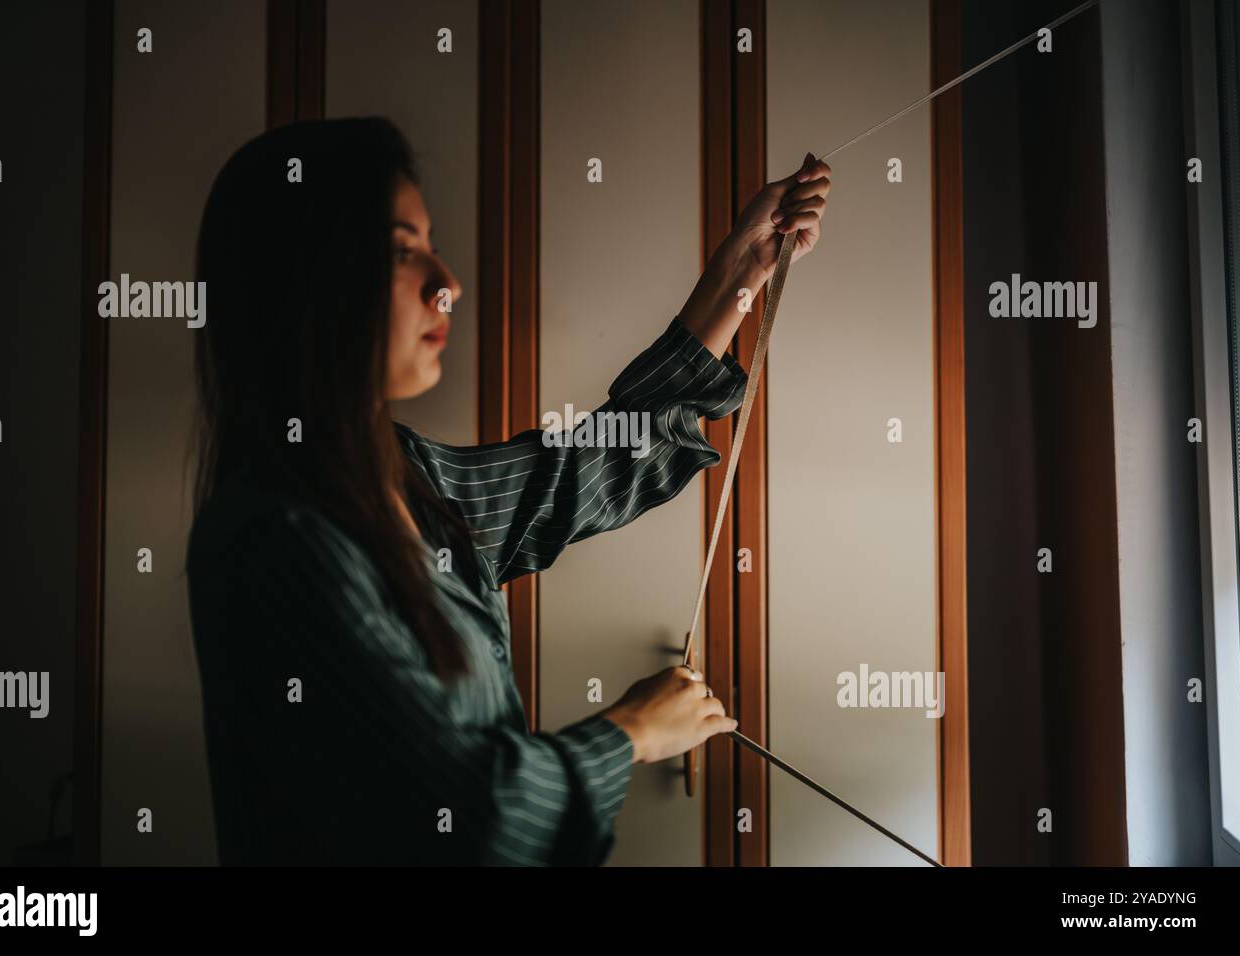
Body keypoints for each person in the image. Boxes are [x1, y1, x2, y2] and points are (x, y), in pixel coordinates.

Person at [185, 117, 831, 865]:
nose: (447, 283)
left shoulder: (404, 479)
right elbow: (459, 817)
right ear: (305, 279)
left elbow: (578, 473)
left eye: (430, 245)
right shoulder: (278, 536)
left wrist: (740, 273)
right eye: (402, 251)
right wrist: (631, 732)